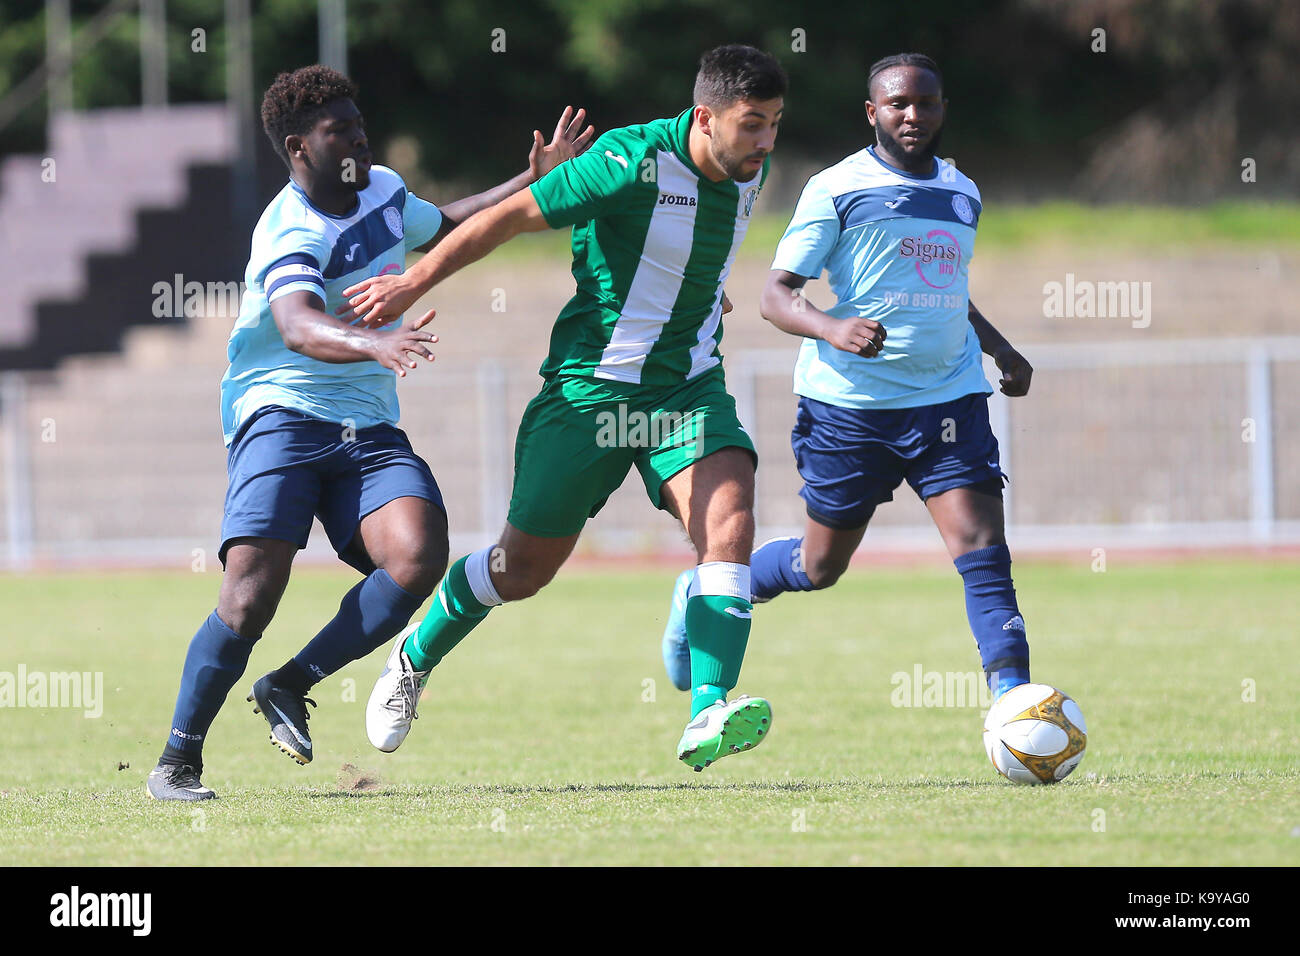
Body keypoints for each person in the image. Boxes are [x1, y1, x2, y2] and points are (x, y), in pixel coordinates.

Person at [146, 65, 592, 801]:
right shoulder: (289, 226)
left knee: (419, 556)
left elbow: (444, 224)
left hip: (366, 424)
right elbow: (295, 325)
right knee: (252, 592)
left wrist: (530, 180)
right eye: (339, 130)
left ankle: (290, 683)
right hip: (280, 413)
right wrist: (373, 343)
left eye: (358, 123)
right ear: (299, 148)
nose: (358, 136)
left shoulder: (381, 188)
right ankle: (178, 758)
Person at [342, 45, 787, 772]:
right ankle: (414, 656)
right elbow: (510, 219)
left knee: (729, 523)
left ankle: (709, 706)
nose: (765, 142)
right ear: (704, 117)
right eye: (752, 125)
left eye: (773, 124)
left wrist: (698, 294)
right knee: (519, 571)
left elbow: (691, 255)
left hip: (685, 388)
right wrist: (409, 283)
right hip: (590, 395)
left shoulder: (746, 169)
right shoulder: (629, 160)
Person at [662, 53, 1036, 704]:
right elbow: (775, 296)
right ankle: (715, 583)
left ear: (943, 109)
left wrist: (1000, 350)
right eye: (897, 104)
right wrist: (834, 328)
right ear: (873, 113)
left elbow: (949, 292)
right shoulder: (836, 188)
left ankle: (1012, 700)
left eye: (925, 103)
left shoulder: (963, 193)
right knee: (819, 565)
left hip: (949, 403)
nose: (912, 115)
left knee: (982, 547)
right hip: (849, 408)